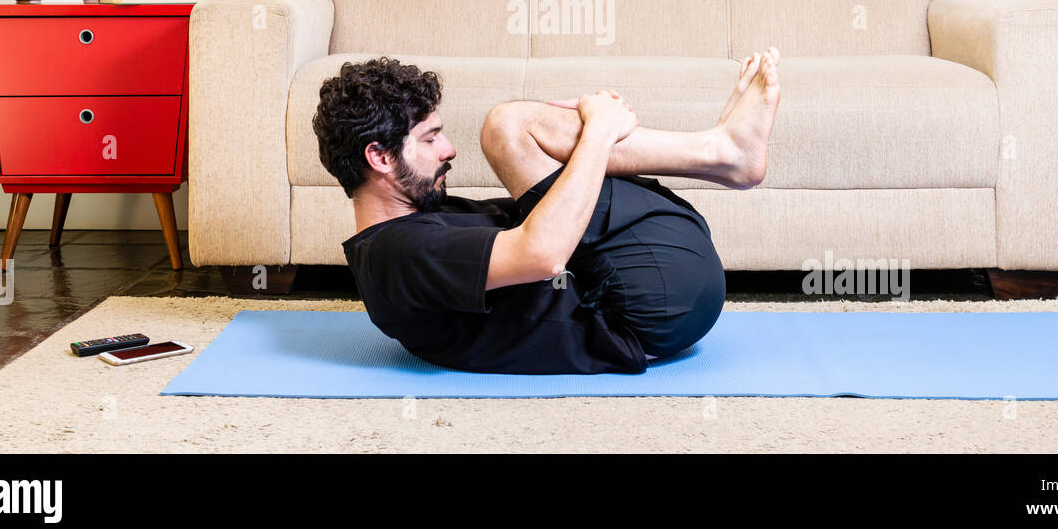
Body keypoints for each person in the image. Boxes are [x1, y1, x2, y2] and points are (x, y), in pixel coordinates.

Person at [312, 48, 782, 374]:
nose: (449, 149)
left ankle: (722, 149)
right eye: (430, 138)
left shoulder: (412, 225)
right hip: (645, 307)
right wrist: (597, 131)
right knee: (508, 126)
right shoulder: (396, 253)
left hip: (649, 287)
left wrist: (582, 137)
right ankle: (722, 151)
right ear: (380, 157)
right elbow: (543, 255)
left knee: (522, 128)